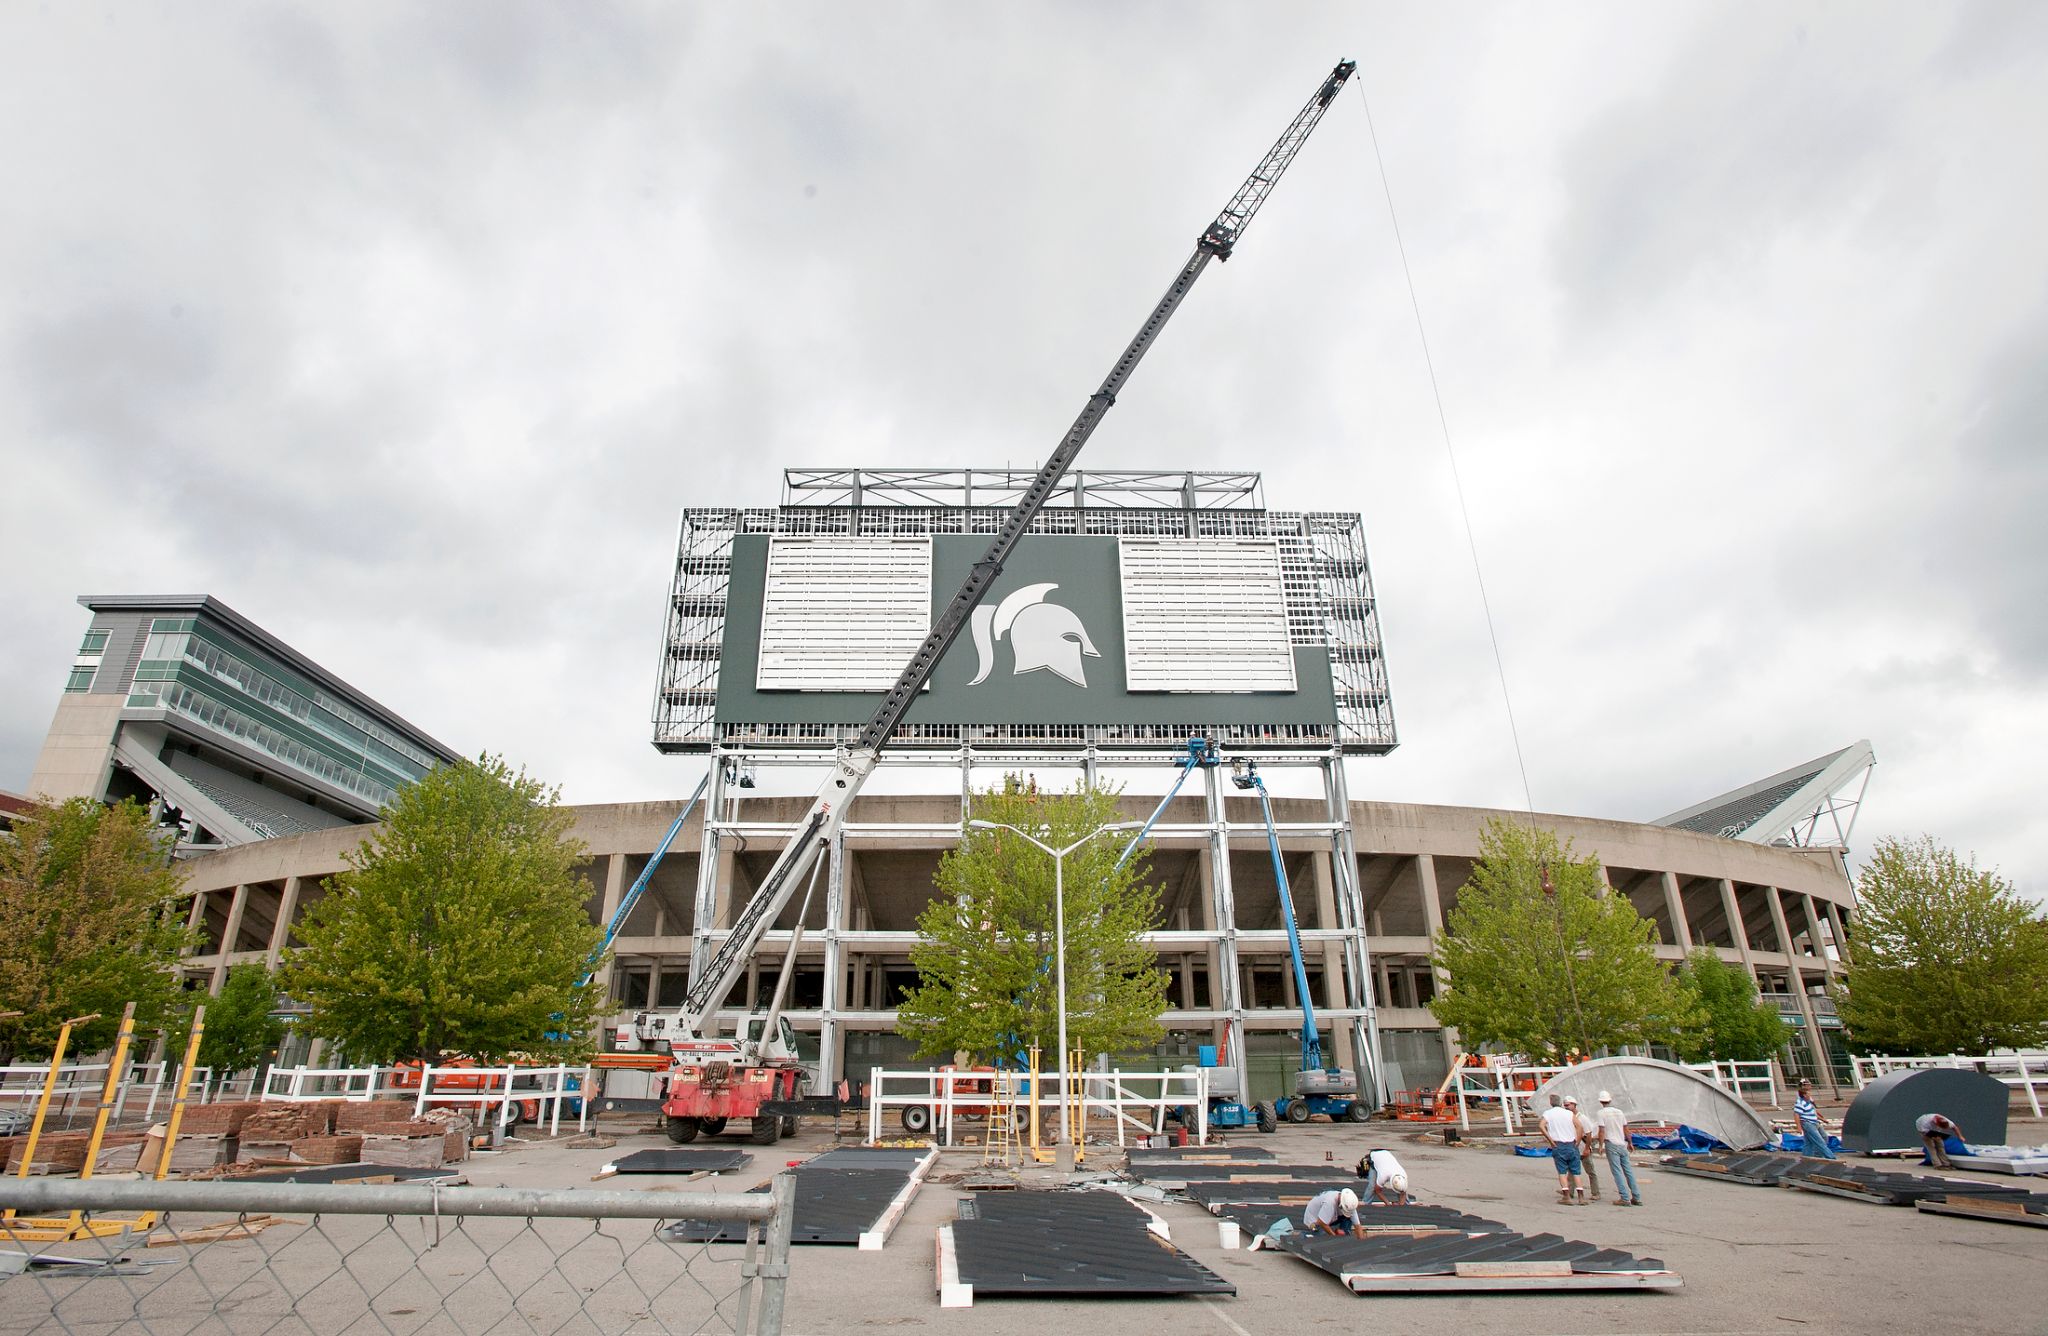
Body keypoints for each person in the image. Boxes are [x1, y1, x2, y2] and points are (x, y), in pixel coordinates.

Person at [1594, 1090, 1641, 1206]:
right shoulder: (1619, 1112)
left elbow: (1602, 1131)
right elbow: (1626, 1128)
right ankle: (1636, 1196)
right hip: (1621, 1143)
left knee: (1617, 1172)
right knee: (1628, 1171)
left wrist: (1600, 1145)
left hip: (1611, 1143)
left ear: (1601, 1101)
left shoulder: (1601, 1113)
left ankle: (1624, 1198)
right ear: (1610, 1100)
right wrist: (1630, 1142)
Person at [1540, 1093, 1588, 1204]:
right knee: (1576, 1172)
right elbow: (1579, 1126)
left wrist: (1550, 1139)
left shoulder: (1548, 1113)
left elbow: (1541, 1125)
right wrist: (1578, 1140)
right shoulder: (1568, 1113)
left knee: (1562, 1172)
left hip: (1558, 1144)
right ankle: (1581, 1197)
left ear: (1551, 1103)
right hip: (1571, 1143)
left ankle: (1566, 1196)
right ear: (1561, 1103)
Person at [1567, 1095, 1601, 1201]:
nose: (1566, 1107)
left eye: (1568, 1105)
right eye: (1565, 1105)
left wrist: (1587, 1148)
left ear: (1574, 1105)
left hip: (1583, 1148)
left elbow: (1589, 1134)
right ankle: (1570, 1192)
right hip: (1573, 1148)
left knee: (1590, 1171)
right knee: (1571, 1171)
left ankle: (1596, 1193)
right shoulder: (1568, 1117)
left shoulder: (1583, 1118)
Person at [1793, 1079, 1836, 1160]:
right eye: (1808, 1093)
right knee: (1819, 1141)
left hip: (1814, 1122)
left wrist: (1822, 1119)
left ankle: (1807, 1157)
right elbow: (1796, 1114)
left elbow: (1813, 1111)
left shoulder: (1808, 1101)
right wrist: (1799, 1127)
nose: (1810, 1093)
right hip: (1808, 1123)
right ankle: (1830, 1157)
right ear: (1805, 1094)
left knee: (1810, 1142)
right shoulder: (1800, 1102)